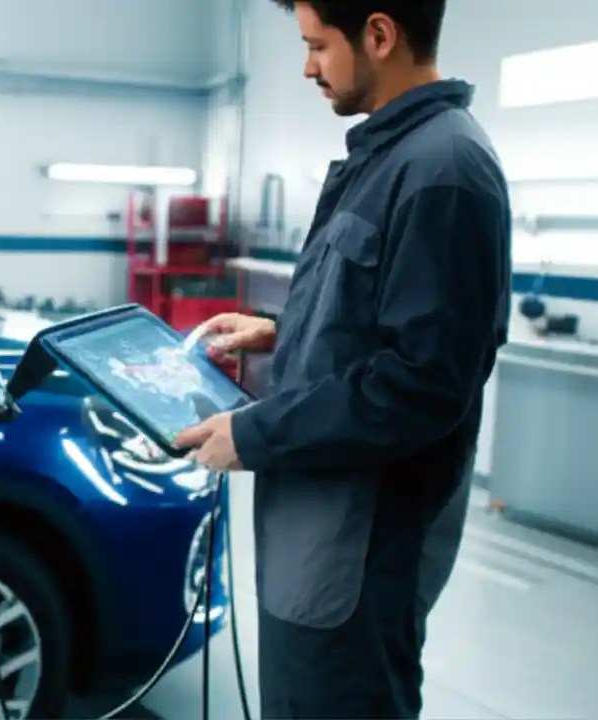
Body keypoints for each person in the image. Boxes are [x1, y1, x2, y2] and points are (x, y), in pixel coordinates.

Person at [173, 1, 512, 718]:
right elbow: (372, 320)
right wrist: (280, 331)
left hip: (356, 557)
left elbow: (419, 384)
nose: (306, 67)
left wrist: (253, 433)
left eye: (318, 45)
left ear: (380, 35)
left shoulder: (444, 171)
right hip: (315, 536)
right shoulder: (390, 156)